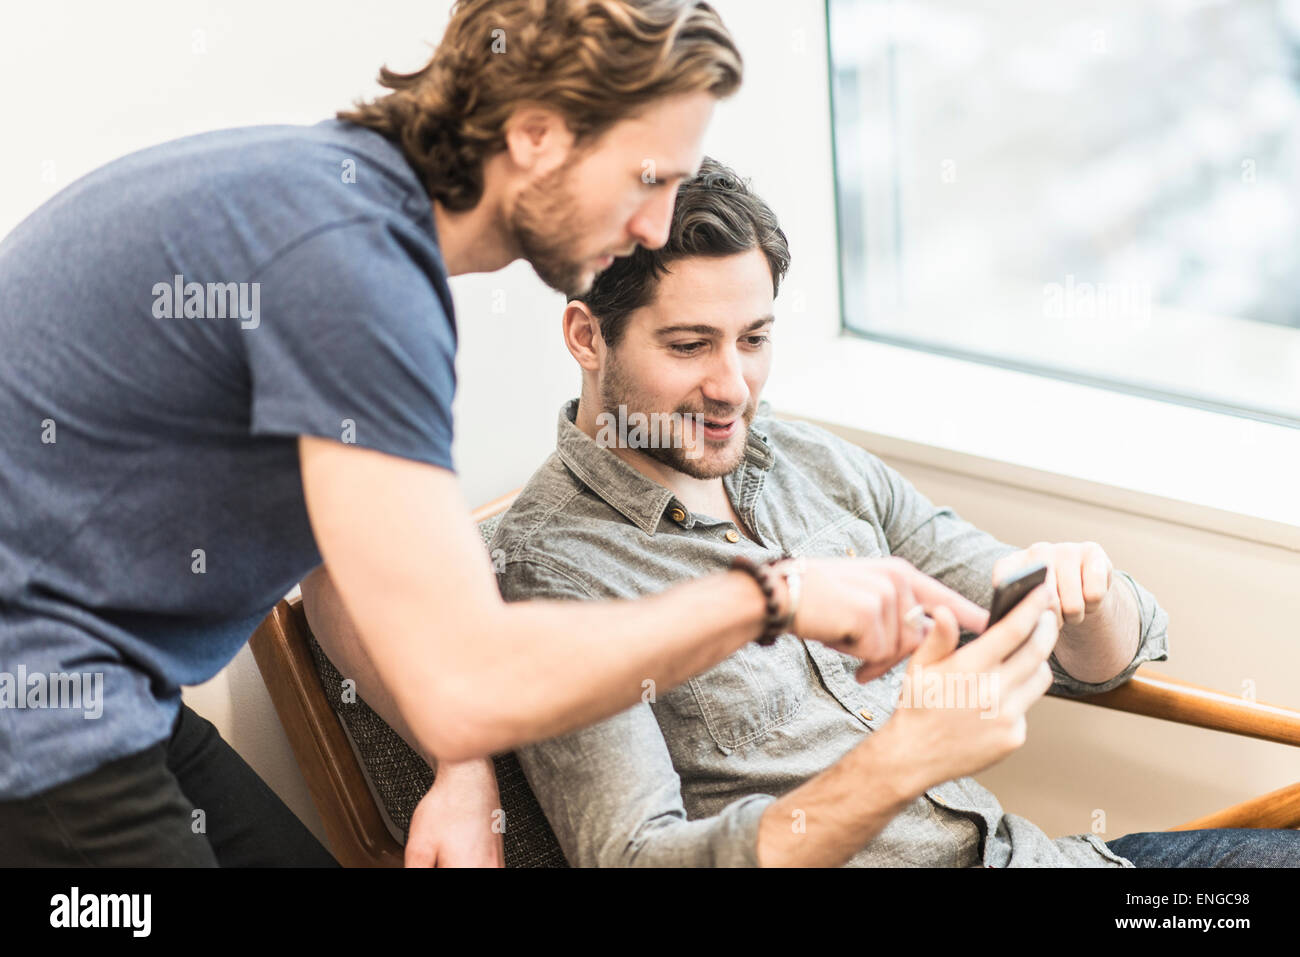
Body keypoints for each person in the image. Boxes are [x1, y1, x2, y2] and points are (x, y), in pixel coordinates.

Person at [0, 0, 984, 867]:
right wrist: (773, 593)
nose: (654, 227)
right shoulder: (351, 272)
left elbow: (353, 565)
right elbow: (468, 677)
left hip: (103, 692)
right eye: (647, 178)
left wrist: (461, 769)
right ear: (537, 135)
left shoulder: (338, 208)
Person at [435, 157, 1298, 867]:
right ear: (588, 337)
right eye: (689, 345)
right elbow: (637, 860)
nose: (733, 387)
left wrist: (1088, 590)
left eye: (755, 338)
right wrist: (906, 757)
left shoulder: (805, 460)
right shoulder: (554, 572)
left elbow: (1092, 659)